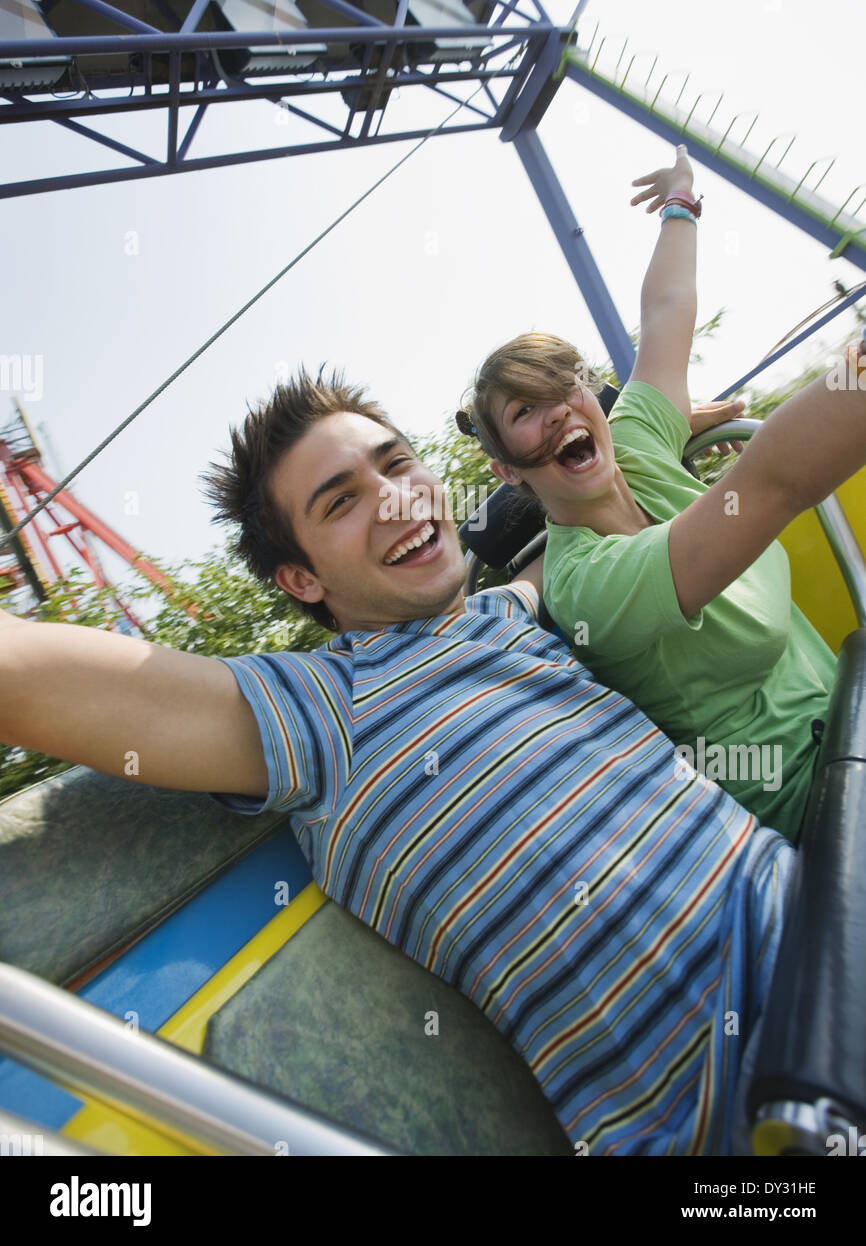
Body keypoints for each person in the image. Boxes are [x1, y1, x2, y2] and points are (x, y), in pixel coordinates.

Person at [0, 369, 794, 1155]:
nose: (398, 497)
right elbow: (25, 678)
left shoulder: (505, 615)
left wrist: (643, 434)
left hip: (812, 897)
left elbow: (559, 533)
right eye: (341, 500)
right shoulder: (319, 710)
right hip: (749, 1088)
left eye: (398, 462)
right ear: (301, 578)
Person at [457, 146, 866, 846]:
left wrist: (682, 197)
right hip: (811, 800)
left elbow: (668, 311)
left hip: (848, 702)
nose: (557, 411)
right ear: (508, 471)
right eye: (525, 413)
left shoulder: (635, 439)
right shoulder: (587, 585)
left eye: (565, 387)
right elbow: (770, 486)